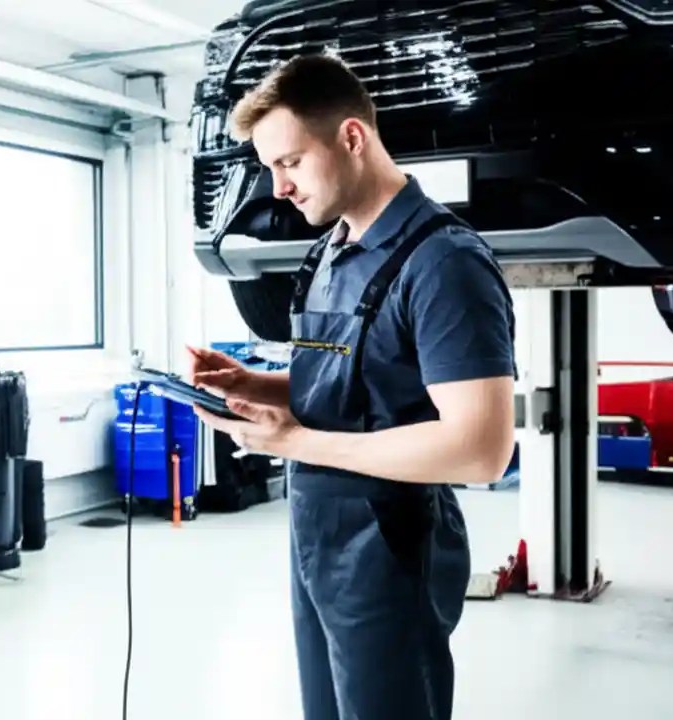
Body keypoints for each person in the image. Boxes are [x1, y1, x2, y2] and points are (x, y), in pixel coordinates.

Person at [190, 54, 517, 720]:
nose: (279, 188)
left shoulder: (444, 263)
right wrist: (256, 385)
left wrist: (297, 442)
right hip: (317, 536)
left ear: (351, 137)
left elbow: (481, 449)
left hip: (391, 546)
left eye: (290, 162)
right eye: (270, 168)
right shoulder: (331, 251)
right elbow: (353, 382)